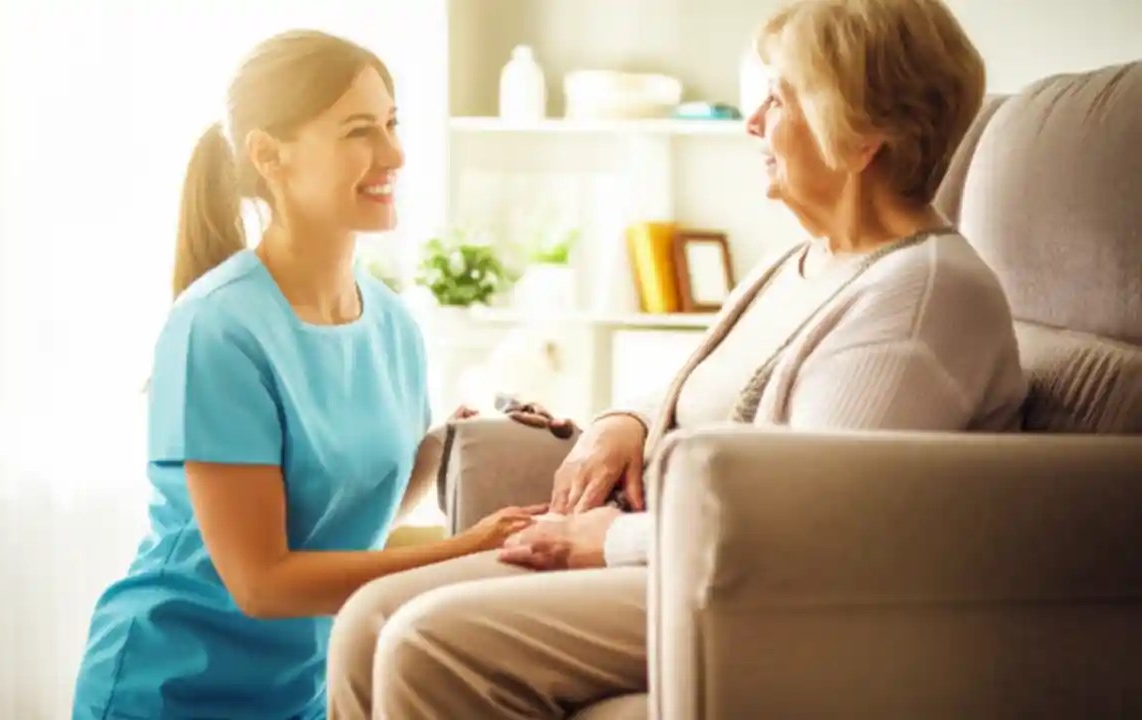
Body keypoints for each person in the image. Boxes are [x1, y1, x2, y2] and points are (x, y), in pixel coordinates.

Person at [326, 0, 1028, 717]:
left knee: (427, 643)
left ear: (859, 136)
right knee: (366, 621)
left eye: (780, 98)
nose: (753, 121)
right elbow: (700, 384)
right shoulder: (810, 260)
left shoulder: (919, 299)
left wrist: (610, 540)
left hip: (765, 599)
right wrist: (623, 420)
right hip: (686, 558)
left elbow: (813, 529)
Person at [71, 30, 542, 720]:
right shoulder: (218, 328)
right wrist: (465, 551)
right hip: (172, 689)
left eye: (391, 124)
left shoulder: (390, 322)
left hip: (298, 690)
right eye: (359, 132)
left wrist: (452, 441)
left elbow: (342, 505)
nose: (395, 155)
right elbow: (262, 581)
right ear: (269, 156)